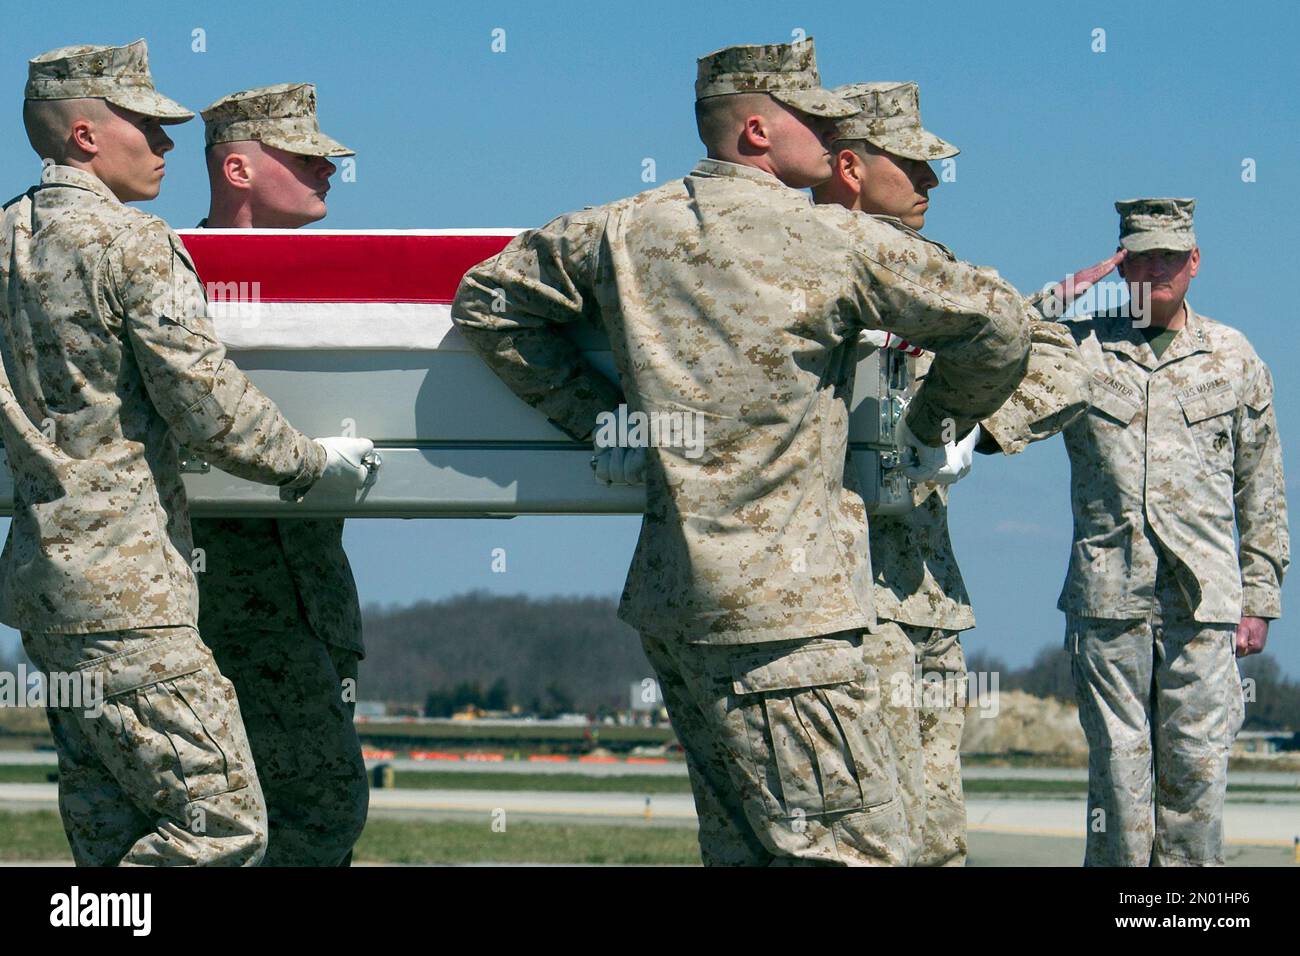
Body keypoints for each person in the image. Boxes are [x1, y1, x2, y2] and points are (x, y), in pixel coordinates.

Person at [452, 38, 1033, 865]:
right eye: (816, 118)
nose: (836, 136)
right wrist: (932, 424)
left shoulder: (619, 229)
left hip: (674, 604)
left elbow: (486, 301)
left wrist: (604, 421)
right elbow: (1000, 322)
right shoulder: (832, 239)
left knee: (744, 851)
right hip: (790, 618)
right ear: (758, 131)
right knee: (856, 853)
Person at [0, 39, 372, 866]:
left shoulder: (7, 240)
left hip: (45, 590)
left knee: (115, 833)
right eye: (148, 125)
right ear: (87, 137)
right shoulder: (133, 244)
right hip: (134, 590)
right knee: (225, 824)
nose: (167, 144)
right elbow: (210, 410)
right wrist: (316, 465)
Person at [811, 81, 1096, 865]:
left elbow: (1061, 360)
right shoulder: (781, 268)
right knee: (866, 836)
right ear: (850, 166)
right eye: (912, 163)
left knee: (937, 834)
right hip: (828, 602)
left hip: (926, 591)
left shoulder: (939, 275)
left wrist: (971, 423)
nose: (932, 181)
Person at [1042, 199, 1288, 865]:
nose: (1155, 272)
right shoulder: (1077, 348)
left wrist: (1260, 598)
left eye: (1169, 258)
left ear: (1195, 261)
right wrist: (1060, 295)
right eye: (1139, 258)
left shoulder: (1234, 358)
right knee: (1119, 786)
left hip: (1203, 605)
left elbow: (1259, 485)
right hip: (1108, 600)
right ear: (1119, 262)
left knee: (1195, 781)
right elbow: (996, 344)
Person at [193, 83, 368, 866]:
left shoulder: (348, 293)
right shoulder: (161, 278)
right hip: (204, 600)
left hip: (311, 603)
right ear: (238, 169)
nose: (328, 172)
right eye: (305, 159)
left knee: (322, 810)